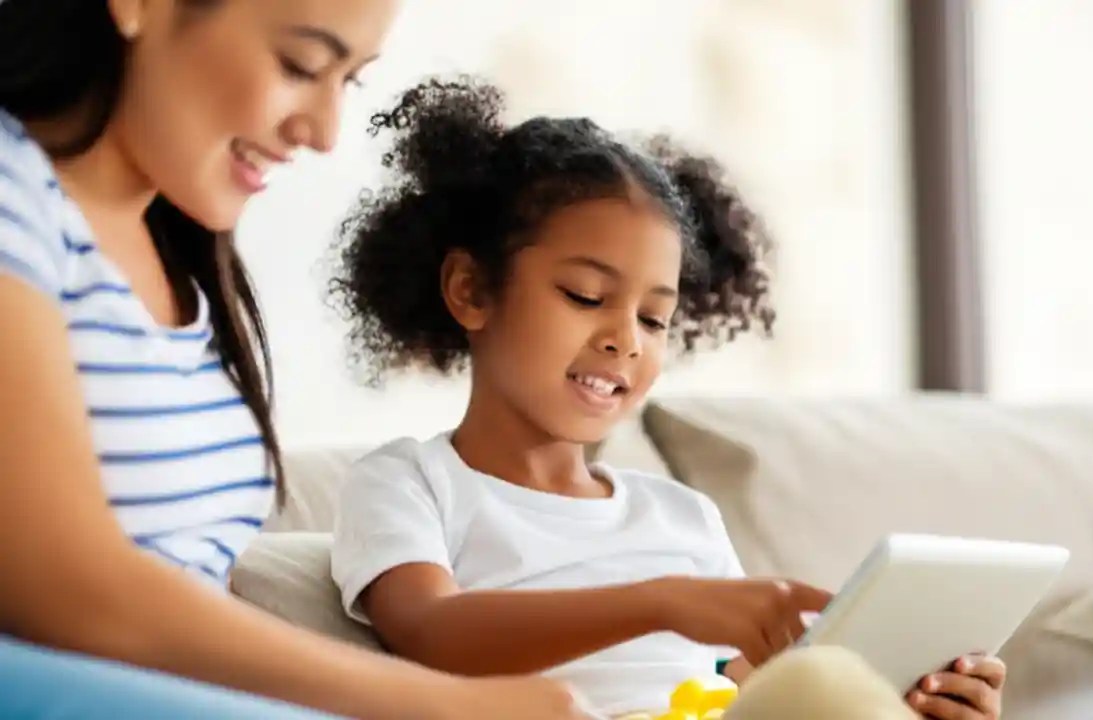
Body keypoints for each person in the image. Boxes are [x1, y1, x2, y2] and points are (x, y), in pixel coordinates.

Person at [327, 76, 1008, 719]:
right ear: (472, 290)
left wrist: (907, 702)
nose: (626, 340)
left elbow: (755, 695)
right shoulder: (408, 484)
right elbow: (432, 634)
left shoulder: (682, 518)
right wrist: (662, 604)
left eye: (654, 319)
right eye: (586, 297)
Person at [0, 2, 591, 718]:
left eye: (349, 81)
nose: (323, 131)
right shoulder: (14, 194)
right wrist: (443, 706)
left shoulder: (176, 256)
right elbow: (67, 589)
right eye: (300, 65)